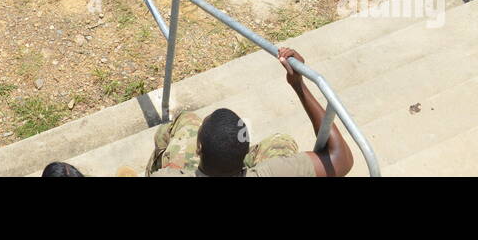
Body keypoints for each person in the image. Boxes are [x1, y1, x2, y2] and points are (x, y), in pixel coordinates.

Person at [147, 48, 355, 176]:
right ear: (245, 155)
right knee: (282, 141)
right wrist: (298, 85)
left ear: (199, 148)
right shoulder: (272, 173)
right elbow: (340, 159)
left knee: (187, 120)